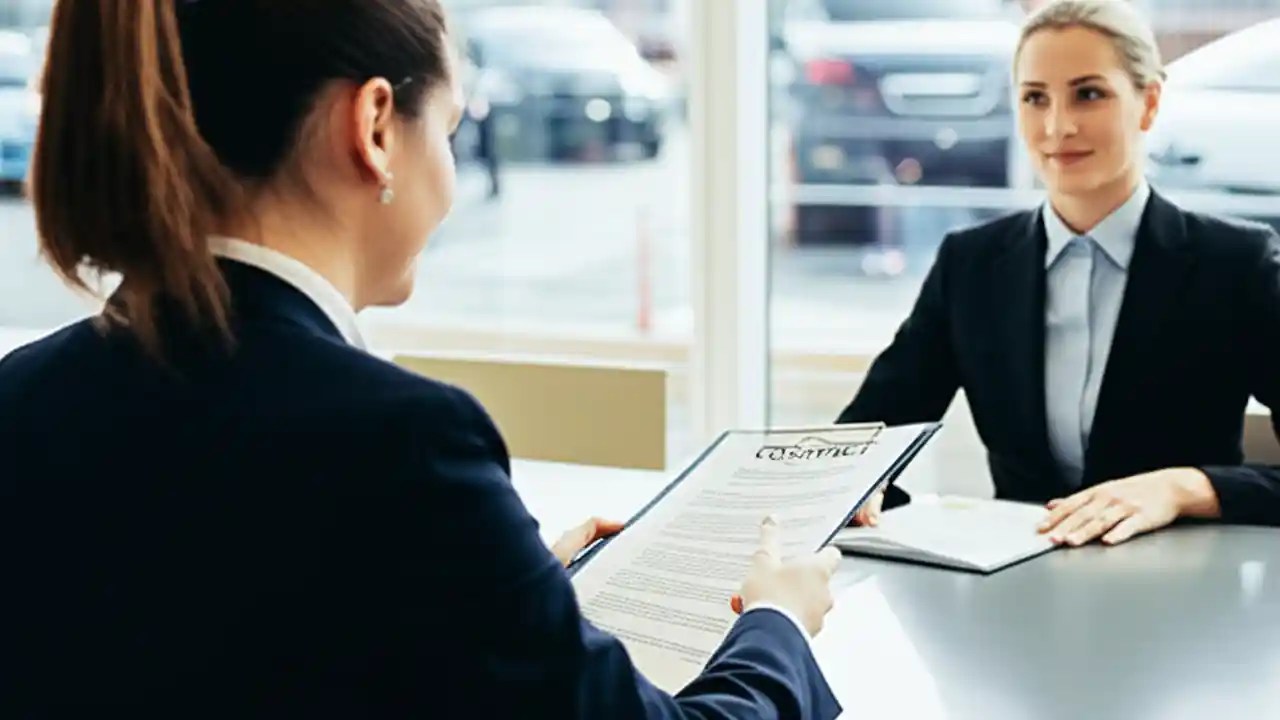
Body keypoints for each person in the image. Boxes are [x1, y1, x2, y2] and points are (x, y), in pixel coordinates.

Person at [1, 2, 844, 717]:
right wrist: (775, 622)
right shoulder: (399, 446)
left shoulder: (21, 397)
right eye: (450, 127)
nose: (451, 168)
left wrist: (501, 595)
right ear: (374, 127)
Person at [839, 0, 1280, 545]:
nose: (1057, 126)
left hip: (1186, 574)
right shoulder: (971, 265)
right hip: (1014, 577)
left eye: (1088, 94)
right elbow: (863, 442)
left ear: (1148, 103)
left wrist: (1186, 488)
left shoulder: (1234, 264)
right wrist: (858, 486)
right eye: (1035, 98)